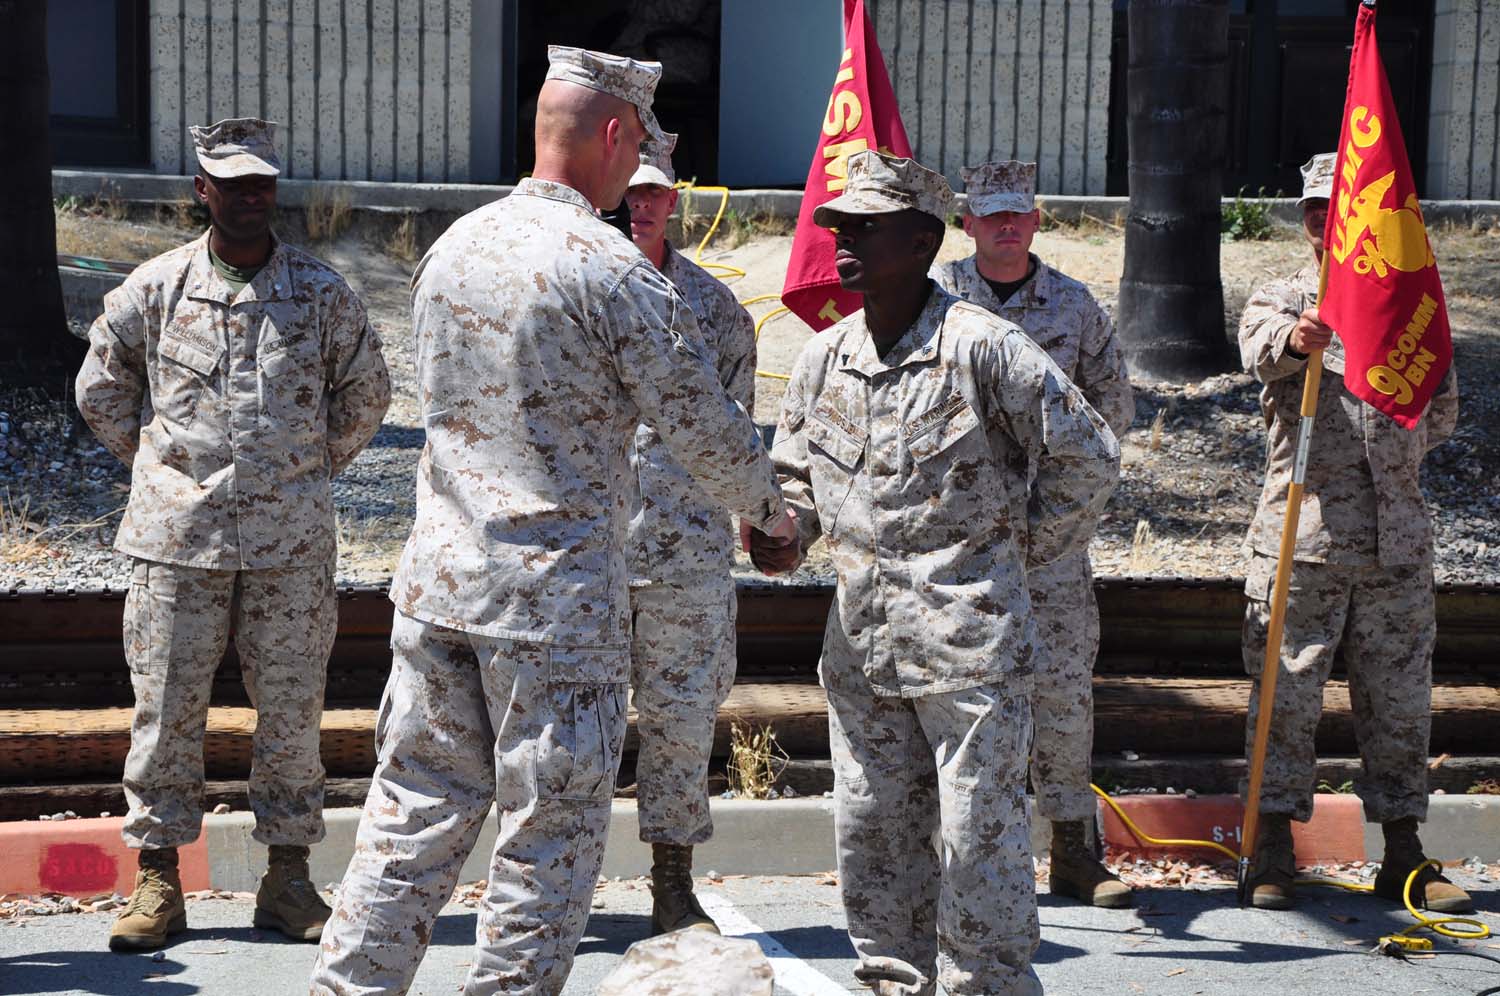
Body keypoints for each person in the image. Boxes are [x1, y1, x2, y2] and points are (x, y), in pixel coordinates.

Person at [309, 47, 797, 995]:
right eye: (640, 146)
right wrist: (773, 514)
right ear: (616, 135)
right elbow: (703, 427)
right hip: (550, 611)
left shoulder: (455, 246)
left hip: (439, 589)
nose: (638, 169)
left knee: (410, 814)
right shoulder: (609, 270)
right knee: (548, 840)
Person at [750, 150, 1119, 996]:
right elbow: (800, 477)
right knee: (874, 835)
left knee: (979, 843)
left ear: (920, 241)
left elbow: (1089, 455)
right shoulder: (825, 357)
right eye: (837, 226)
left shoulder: (985, 347)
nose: (839, 241)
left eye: (863, 228)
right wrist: (787, 535)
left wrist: (1015, 551)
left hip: (969, 654)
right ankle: (892, 980)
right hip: (864, 651)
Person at [74, 116, 392, 951]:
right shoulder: (154, 289)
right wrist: (162, 475)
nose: (253, 196)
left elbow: (366, 393)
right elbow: (102, 391)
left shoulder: (321, 293)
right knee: (166, 714)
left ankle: (287, 881)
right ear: (201, 190)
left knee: (292, 714)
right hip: (176, 546)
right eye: (234, 182)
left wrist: (305, 470)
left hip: (290, 548)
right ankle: (156, 887)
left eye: (264, 182)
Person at [1238, 152, 1466, 912]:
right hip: (1302, 541)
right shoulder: (1282, 298)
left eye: (1336, 206)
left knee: (1400, 702)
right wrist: (1303, 341)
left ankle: (1403, 851)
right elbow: (1260, 354)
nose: (1322, 219)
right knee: (1285, 699)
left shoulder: (1413, 308)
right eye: (1311, 208)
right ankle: (1271, 846)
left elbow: (1439, 413)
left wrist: (1390, 484)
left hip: (1395, 547)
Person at [933, 160, 1134, 908]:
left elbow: (1111, 417)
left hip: (1050, 543)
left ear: (1037, 221)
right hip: (955, 540)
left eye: (1017, 215)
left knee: (1060, 694)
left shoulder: (1077, 310)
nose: (1006, 227)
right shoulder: (936, 302)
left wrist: (1064, 509)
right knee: (958, 693)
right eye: (991, 216)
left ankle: (1076, 853)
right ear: (968, 224)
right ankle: (965, 856)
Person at [623, 134, 759, 935]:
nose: (641, 205)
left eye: (655, 193)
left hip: (687, 558)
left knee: (679, 726)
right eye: (630, 192)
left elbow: (738, 430)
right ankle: (553, 886)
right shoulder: (575, 289)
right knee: (565, 731)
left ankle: (672, 886)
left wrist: (759, 517)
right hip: (588, 555)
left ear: (675, 201)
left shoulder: (717, 312)